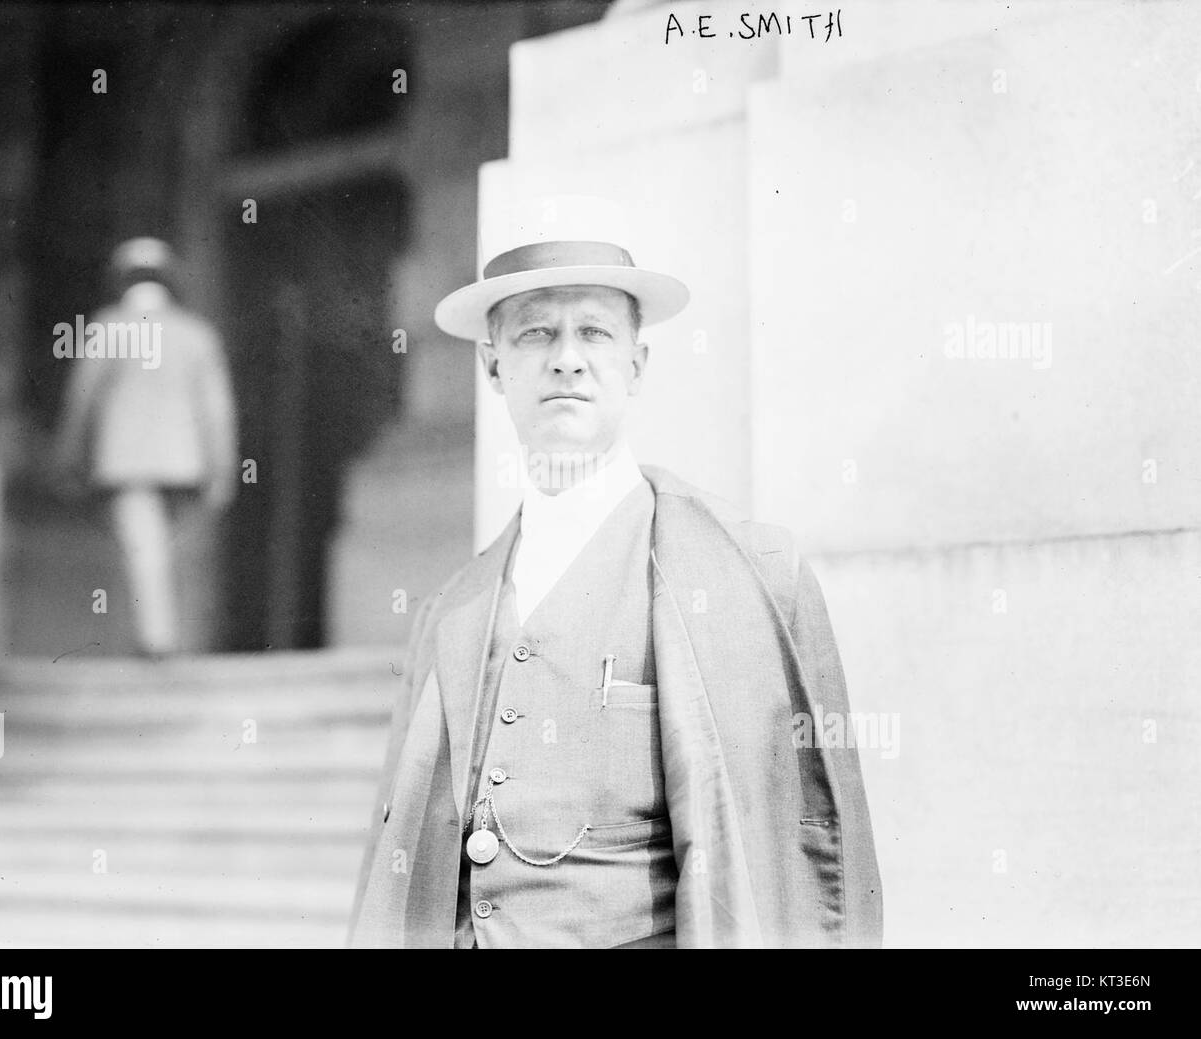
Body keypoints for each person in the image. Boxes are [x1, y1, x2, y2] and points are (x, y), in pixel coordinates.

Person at [348, 197, 882, 948]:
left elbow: (816, 862)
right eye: (536, 331)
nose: (567, 355)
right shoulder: (453, 611)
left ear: (636, 364)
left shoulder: (751, 574)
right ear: (493, 364)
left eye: (593, 331)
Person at [53, 238, 237, 658]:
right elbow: (218, 411)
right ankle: (172, 639)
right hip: (184, 465)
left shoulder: (107, 327)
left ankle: (158, 641)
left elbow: (81, 402)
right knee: (173, 553)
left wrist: (67, 458)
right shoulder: (197, 334)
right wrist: (223, 471)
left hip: (127, 463)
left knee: (143, 550)